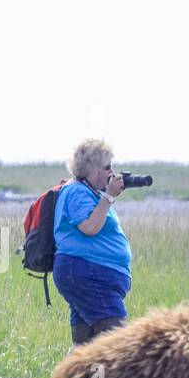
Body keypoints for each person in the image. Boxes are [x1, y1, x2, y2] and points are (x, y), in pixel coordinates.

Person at [52, 139, 133, 345]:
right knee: (117, 344)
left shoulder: (90, 193)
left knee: (88, 348)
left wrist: (106, 197)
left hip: (89, 275)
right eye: (107, 167)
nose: (111, 172)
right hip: (88, 275)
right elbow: (89, 227)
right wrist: (109, 197)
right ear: (92, 168)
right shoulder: (77, 191)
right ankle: (104, 377)